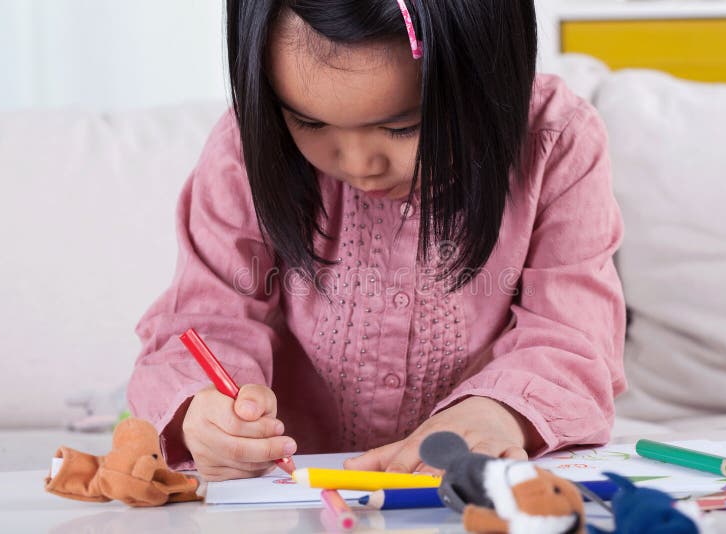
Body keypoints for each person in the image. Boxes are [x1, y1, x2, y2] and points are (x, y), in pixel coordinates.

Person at [127, 0, 627, 482]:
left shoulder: (556, 139)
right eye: (310, 121)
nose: (361, 164)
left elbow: (571, 334)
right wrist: (207, 413)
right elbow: (208, 320)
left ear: (485, 71)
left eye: (401, 126)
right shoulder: (245, 151)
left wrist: (499, 413)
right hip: (298, 491)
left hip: (473, 489)